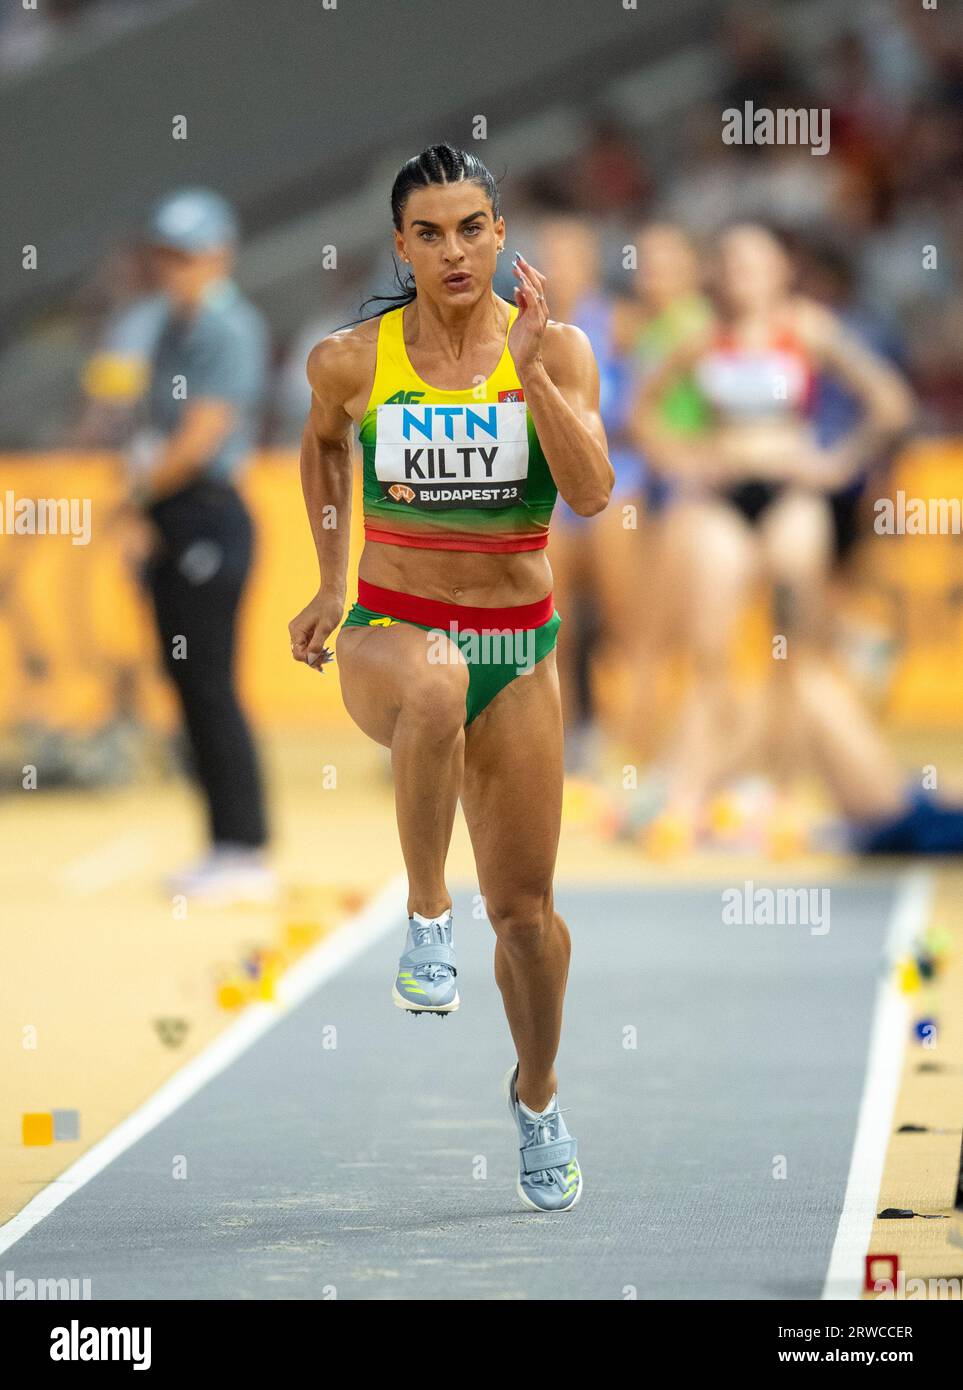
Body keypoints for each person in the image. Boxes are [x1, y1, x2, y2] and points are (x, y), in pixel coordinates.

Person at [289, 144, 613, 1211]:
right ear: (401, 246)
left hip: (518, 650)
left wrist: (526, 372)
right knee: (431, 679)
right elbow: (324, 447)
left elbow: (595, 491)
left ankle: (537, 1092)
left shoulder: (554, 350)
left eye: (471, 226)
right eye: (429, 233)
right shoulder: (351, 358)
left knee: (526, 918)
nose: (453, 249)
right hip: (393, 629)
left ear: (500, 234)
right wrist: (332, 583)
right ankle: (426, 919)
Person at [634, 222, 963, 855]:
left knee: (795, 657)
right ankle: (699, 788)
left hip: (792, 494)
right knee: (713, 655)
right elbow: (643, 412)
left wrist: (838, 462)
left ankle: (773, 789)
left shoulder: (807, 328)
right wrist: (685, 460)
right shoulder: (703, 334)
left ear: (783, 269)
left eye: (756, 262)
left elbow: (890, 402)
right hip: (724, 496)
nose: (742, 274)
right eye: (730, 262)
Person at [115, 187, 274, 902]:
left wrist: (134, 495)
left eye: (186, 255)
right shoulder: (170, 327)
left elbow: (200, 436)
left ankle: (246, 847)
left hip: (207, 514)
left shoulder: (225, 327)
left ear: (219, 255)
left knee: (210, 682)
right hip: (176, 516)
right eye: (165, 254)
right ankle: (223, 842)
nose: (171, 267)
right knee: (187, 684)